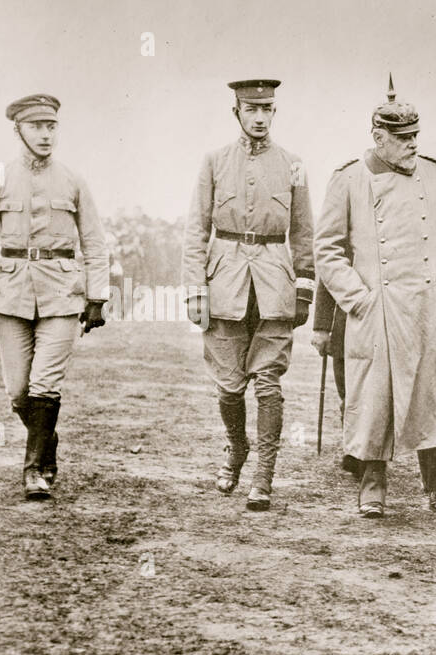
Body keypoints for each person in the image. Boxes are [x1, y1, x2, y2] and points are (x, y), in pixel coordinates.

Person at [314, 78, 436, 518]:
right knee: (375, 397)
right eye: (402, 139)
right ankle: (372, 482)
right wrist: (357, 298)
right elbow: (326, 248)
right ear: (378, 137)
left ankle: (435, 479)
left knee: (432, 391)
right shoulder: (348, 179)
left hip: (428, 305)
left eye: (416, 137)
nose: (412, 145)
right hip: (377, 309)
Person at [0, 94, 109, 500]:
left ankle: (34, 469)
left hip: (62, 294)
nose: (45, 135)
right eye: (35, 127)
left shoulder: (74, 180)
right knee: (17, 390)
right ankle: (47, 441)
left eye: (51, 126)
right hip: (11, 294)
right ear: (18, 130)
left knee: (45, 383)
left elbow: (95, 243)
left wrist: (97, 296)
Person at [182, 79, 315, 511]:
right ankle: (236, 447)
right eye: (251, 109)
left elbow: (304, 232)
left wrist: (305, 289)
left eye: (268, 109)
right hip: (225, 283)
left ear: (274, 112)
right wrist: (194, 290)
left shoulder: (294, 165)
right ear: (235, 110)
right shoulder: (214, 162)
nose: (260, 117)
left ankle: (264, 476)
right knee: (229, 385)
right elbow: (196, 230)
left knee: (268, 381)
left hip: (275, 284)